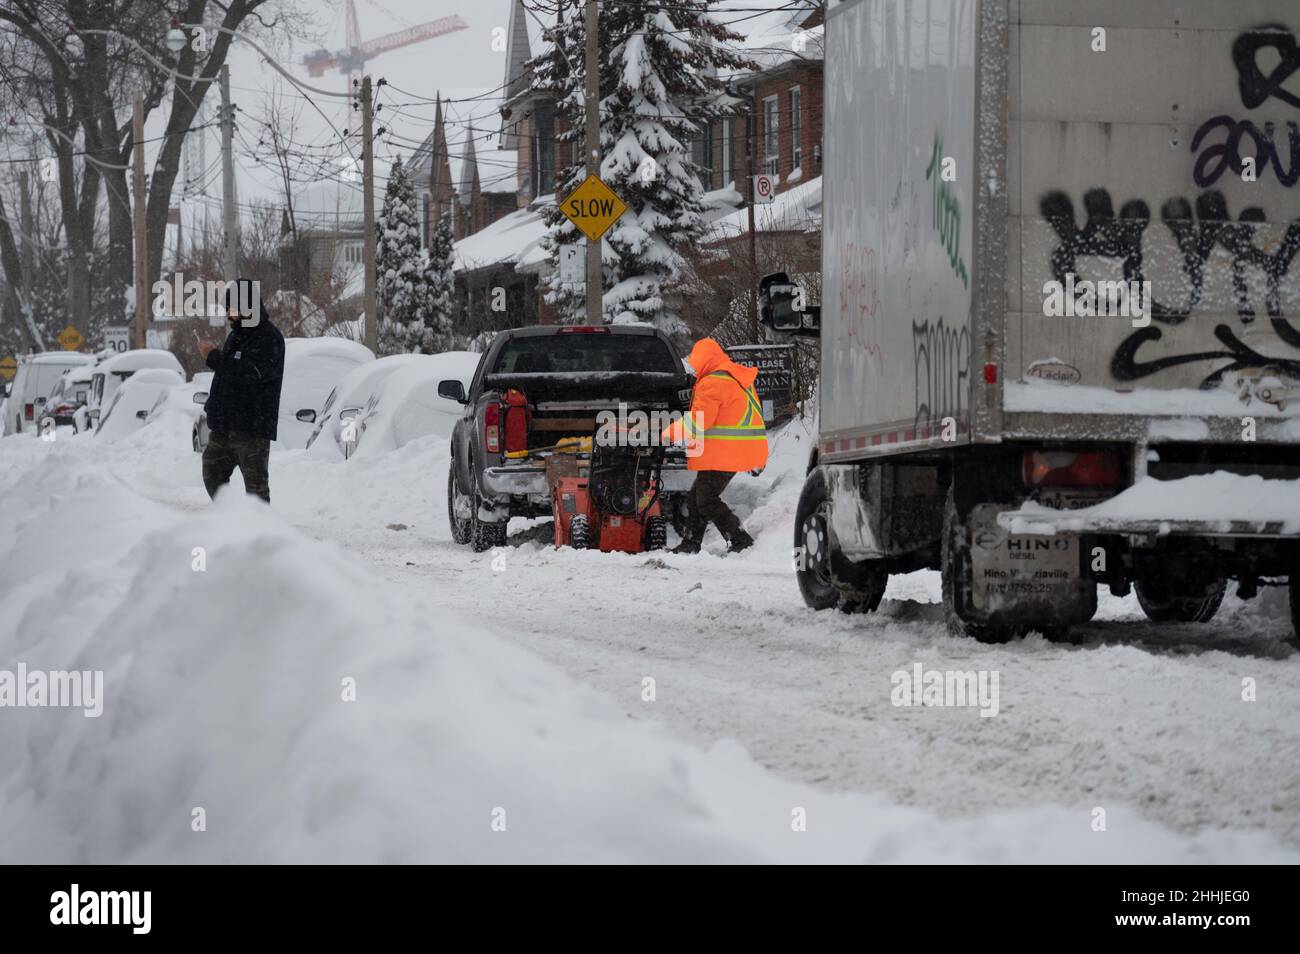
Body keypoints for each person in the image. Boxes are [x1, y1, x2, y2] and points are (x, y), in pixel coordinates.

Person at [662, 337, 768, 553]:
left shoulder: (714, 381)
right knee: (695, 497)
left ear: (705, 360)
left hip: (728, 452)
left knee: (706, 499)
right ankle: (691, 543)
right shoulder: (732, 377)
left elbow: (699, 420)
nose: (694, 366)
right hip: (736, 449)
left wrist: (669, 433)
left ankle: (739, 539)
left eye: (696, 361)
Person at [196, 280, 285, 502]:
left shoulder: (268, 338)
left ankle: (260, 531)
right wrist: (214, 408)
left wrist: (213, 357)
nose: (227, 314)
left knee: (256, 491)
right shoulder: (236, 336)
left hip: (252, 427)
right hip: (226, 425)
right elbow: (226, 378)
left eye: (231, 308)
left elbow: (248, 374)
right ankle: (231, 519)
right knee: (211, 470)